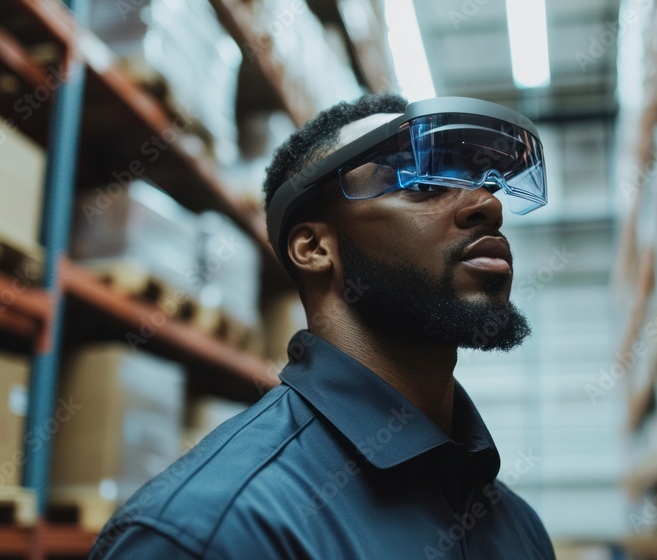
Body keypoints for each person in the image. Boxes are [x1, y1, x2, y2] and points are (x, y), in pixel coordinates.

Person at [90, 93, 556, 559]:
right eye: (423, 186)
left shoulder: (519, 528)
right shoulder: (214, 532)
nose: (487, 206)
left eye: (486, 185)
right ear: (314, 248)